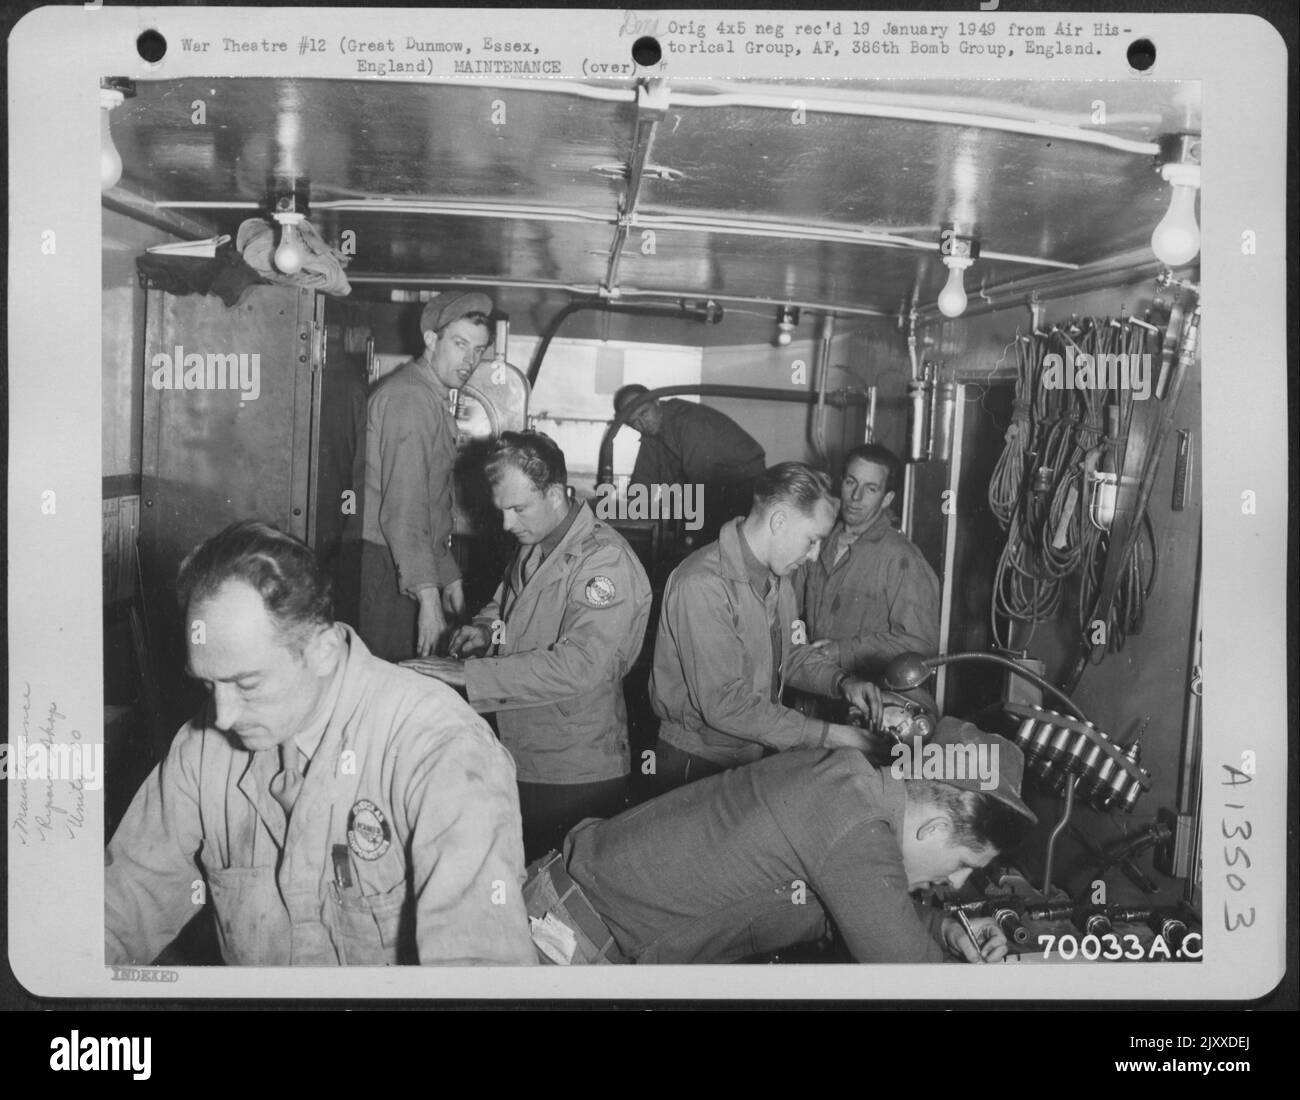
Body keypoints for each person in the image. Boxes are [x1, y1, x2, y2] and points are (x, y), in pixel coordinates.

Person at [105, 521, 535, 967]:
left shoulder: (440, 748)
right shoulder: (203, 745)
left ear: (323, 651)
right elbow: (128, 895)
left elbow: (478, 972)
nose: (224, 716)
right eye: (210, 686)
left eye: (247, 684)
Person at [522, 719, 1036, 964]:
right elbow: (909, 981)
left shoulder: (852, 783)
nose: (956, 881)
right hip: (565, 947)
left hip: (569, 914)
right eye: (965, 863)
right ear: (936, 830)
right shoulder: (855, 825)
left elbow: (862, 907)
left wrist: (947, 929)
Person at [402, 432, 652, 862]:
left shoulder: (603, 563)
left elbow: (579, 665)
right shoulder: (537, 541)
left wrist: (468, 675)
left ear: (554, 494)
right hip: (526, 751)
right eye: (502, 511)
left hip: (573, 771)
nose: (507, 524)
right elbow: (508, 604)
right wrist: (485, 629)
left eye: (518, 509)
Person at [647, 462, 884, 794]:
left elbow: (791, 656)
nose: (815, 556)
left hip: (749, 751)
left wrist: (842, 683)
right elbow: (725, 703)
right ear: (779, 521)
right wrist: (832, 735)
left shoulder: (777, 580)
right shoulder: (703, 584)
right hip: (694, 762)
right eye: (812, 540)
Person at [346, 291, 493, 660]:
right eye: (460, 344)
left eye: (479, 349)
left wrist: (448, 574)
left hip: (403, 562)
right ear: (431, 340)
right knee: (388, 681)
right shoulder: (411, 399)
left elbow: (432, 499)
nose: (470, 360)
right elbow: (406, 508)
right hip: (386, 564)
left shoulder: (428, 395)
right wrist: (428, 596)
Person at [799, 443, 941, 682]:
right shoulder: (820, 541)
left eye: (871, 488)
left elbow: (920, 645)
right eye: (851, 482)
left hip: (867, 697)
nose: (856, 497)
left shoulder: (901, 558)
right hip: (813, 688)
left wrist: (841, 651)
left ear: (887, 499)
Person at [614, 384, 766, 542]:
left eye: (644, 413)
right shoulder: (652, 434)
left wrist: (689, 532)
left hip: (743, 486)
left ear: (657, 401)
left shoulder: (688, 421)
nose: (642, 424)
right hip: (709, 492)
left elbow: (701, 482)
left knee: (707, 544)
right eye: (634, 422)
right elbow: (642, 483)